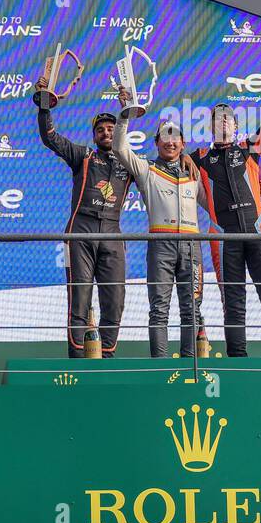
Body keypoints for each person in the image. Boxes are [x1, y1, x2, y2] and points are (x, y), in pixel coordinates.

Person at [189, 78, 261, 357]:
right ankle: (237, 360)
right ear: (210, 127)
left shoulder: (248, 148)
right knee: (233, 304)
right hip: (224, 238)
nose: (223, 123)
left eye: (228, 119)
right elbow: (164, 162)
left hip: (258, 231)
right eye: (217, 120)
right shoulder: (198, 157)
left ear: (236, 127)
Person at [35, 78, 133, 357]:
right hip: (81, 231)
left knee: (115, 301)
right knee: (79, 299)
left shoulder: (130, 162)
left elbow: (162, 174)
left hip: (113, 234)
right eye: (100, 130)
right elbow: (50, 137)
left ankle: (108, 355)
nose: (105, 133)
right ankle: (78, 357)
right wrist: (44, 103)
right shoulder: (83, 155)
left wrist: (190, 161)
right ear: (93, 136)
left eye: (111, 129)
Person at [114, 87, 207, 357]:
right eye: (165, 138)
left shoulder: (194, 172)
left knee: (193, 308)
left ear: (182, 143)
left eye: (175, 137)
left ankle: (191, 364)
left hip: (192, 246)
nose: (170, 142)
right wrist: (124, 116)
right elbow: (120, 148)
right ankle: (161, 366)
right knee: (159, 308)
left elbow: (216, 202)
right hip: (161, 245)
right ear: (156, 143)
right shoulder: (147, 169)